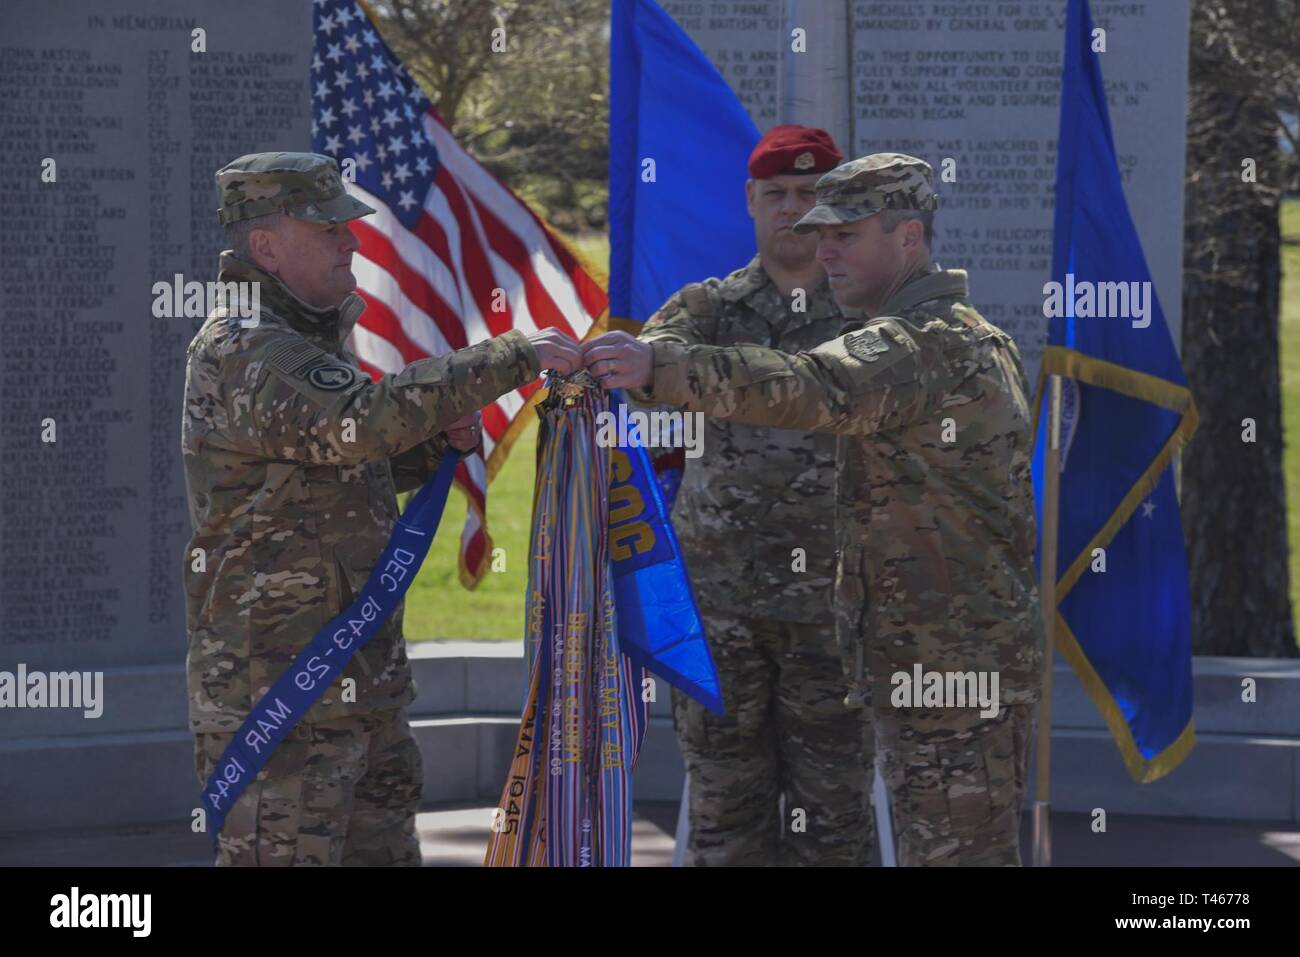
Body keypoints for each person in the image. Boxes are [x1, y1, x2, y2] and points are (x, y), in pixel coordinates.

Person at [583, 153, 1044, 866]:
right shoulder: (962, 333)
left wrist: (657, 367)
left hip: (949, 671)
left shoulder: (919, 344)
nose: (823, 246)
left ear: (908, 239)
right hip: (932, 660)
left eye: (846, 234)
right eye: (820, 232)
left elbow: (812, 385)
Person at [183, 152, 580, 866]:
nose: (353, 241)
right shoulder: (248, 346)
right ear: (266, 246)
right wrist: (516, 355)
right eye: (328, 228)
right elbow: (358, 422)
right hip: (282, 690)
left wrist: (428, 450)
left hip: (357, 681)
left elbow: (336, 463)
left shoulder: (300, 341)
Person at [636, 125, 872, 866]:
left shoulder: (873, 318)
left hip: (834, 611)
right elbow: (641, 385)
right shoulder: (705, 310)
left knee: (833, 819)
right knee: (725, 815)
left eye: (810, 196)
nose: (793, 210)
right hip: (722, 610)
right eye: (777, 194)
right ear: (750, 200)